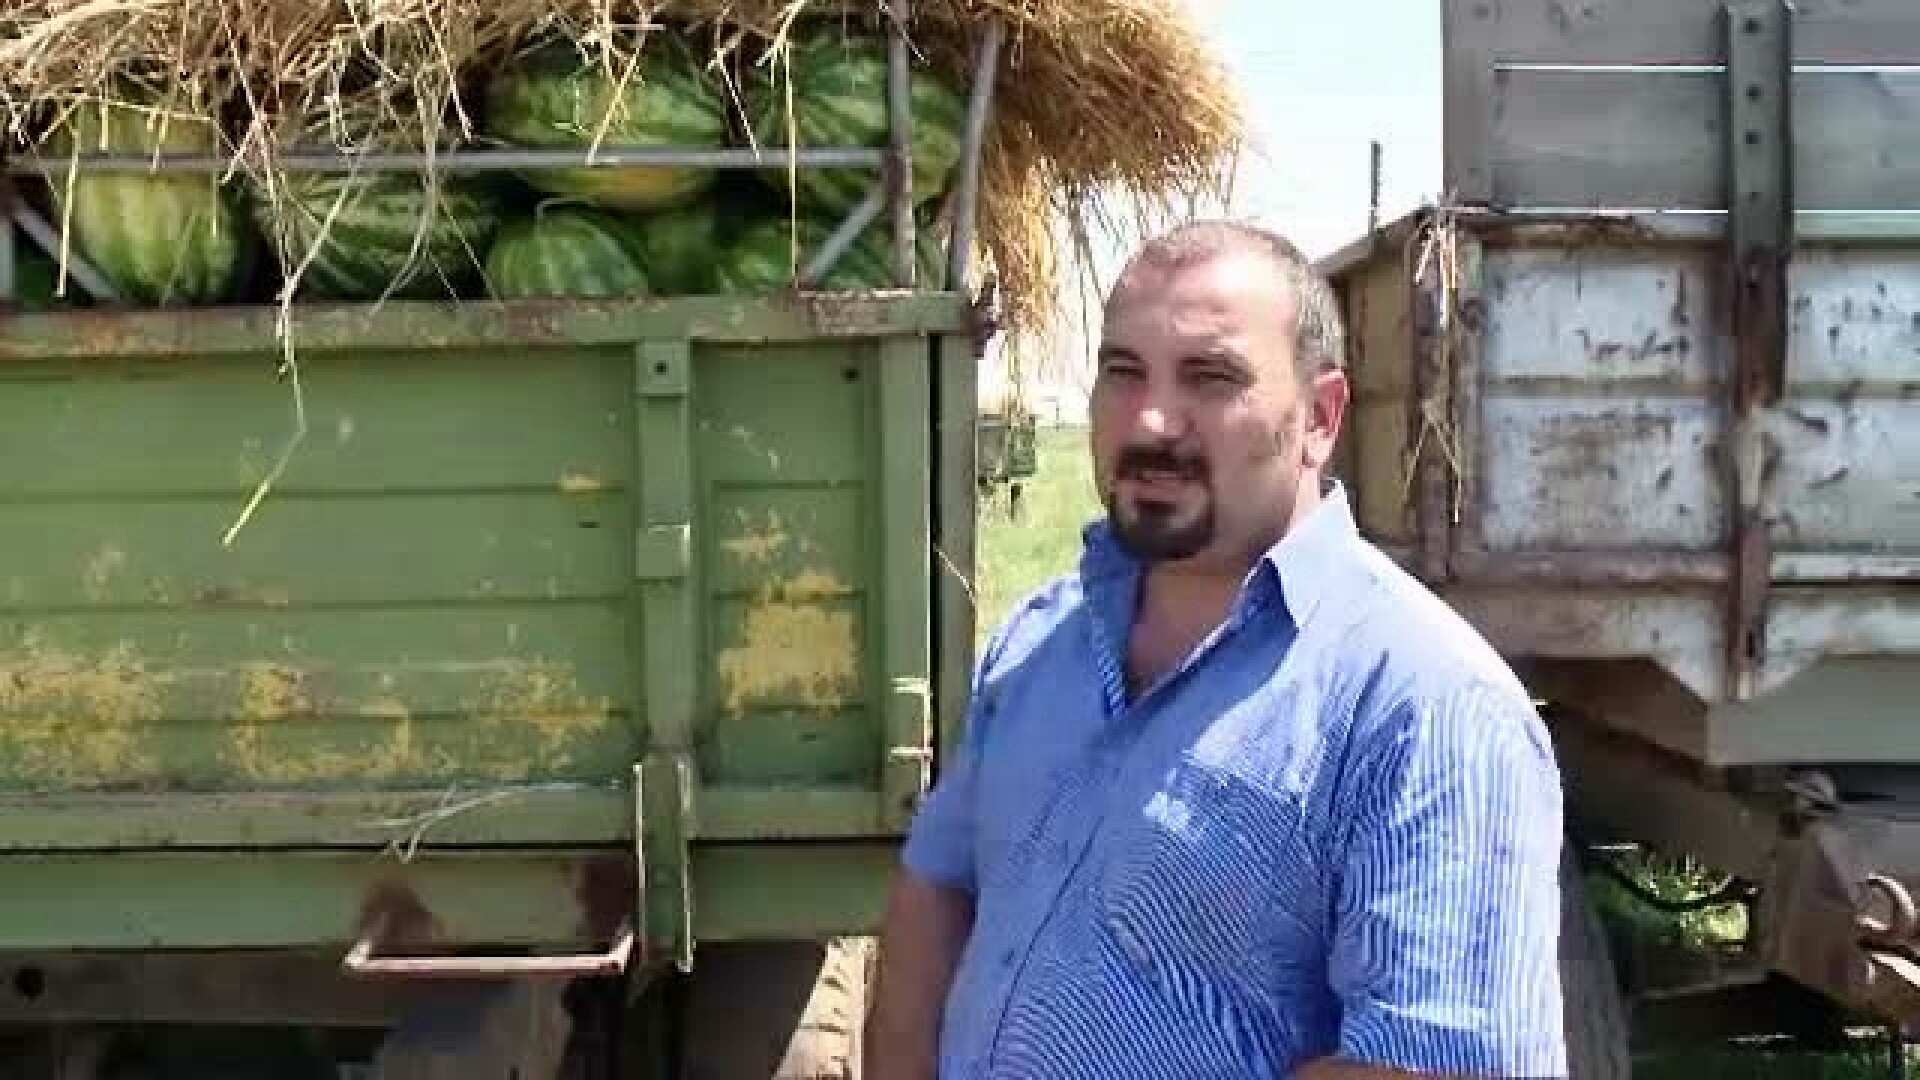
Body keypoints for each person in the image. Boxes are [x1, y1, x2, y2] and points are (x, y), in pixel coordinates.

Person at [862, 219, 1568, 1079]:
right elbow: (940, 886)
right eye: (1123, 372)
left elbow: (1430, 1068)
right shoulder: (1042, 638)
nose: (1152, 421)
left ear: (1320, 416)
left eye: (1212, 376)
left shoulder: (1426, 709)